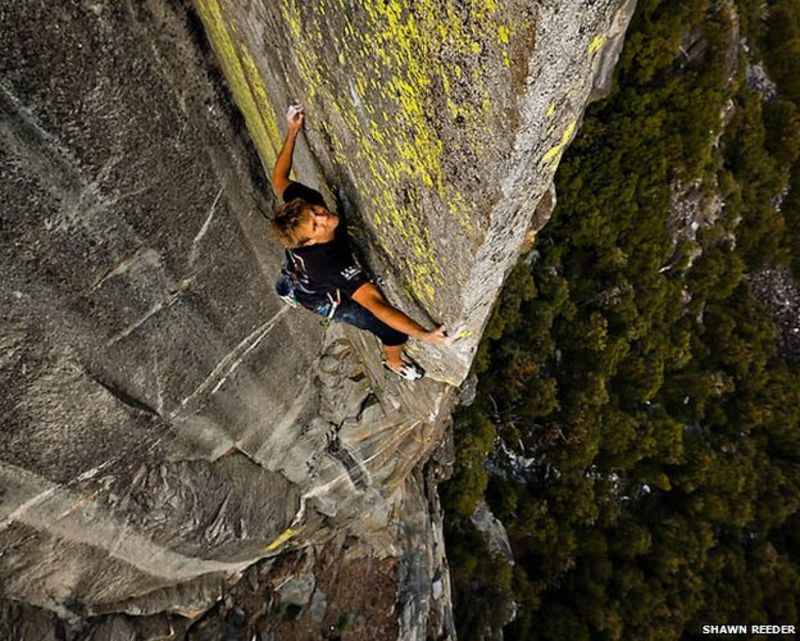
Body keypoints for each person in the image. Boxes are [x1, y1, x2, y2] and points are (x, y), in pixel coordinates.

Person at [269, 104, 450, 380]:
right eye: (317, 225)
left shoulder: (302, 205)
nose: (324, 216)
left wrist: (292, 130)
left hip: (301, 267)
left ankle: (289, 286)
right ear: (307, 242)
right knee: (391, 331)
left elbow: (279, 178)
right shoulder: (330, 266)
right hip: (324, 297)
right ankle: (394, 363)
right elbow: (376, 304)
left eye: (316, 213)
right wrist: (423, 335)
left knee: (295, 274)